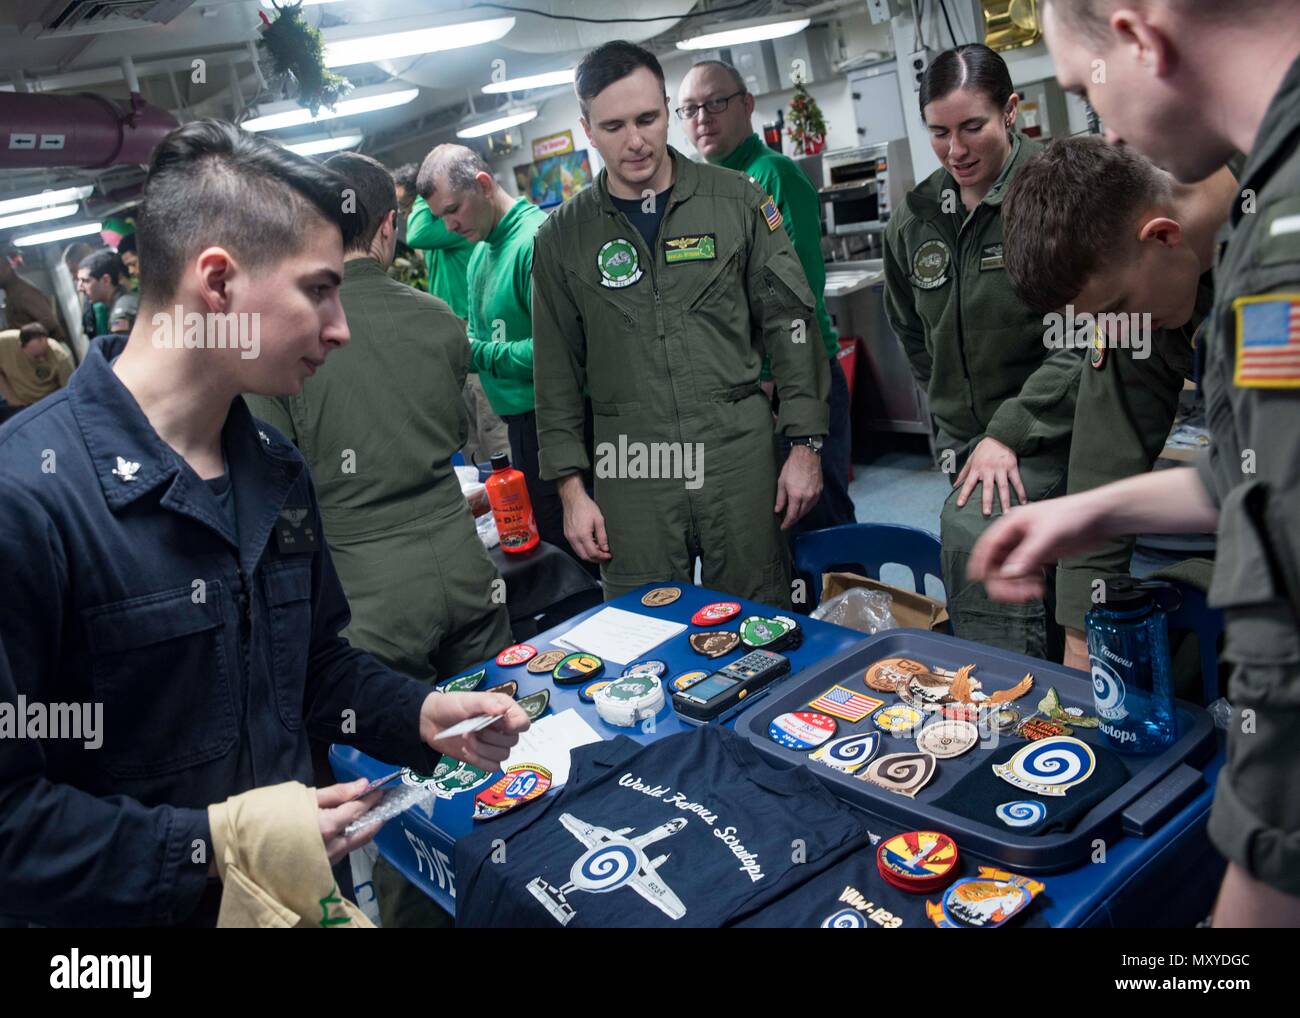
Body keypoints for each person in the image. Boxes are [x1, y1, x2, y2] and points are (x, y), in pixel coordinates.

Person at [0, 119, 529, 927]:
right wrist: (218, 842)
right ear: (218, 284)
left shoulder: (275, 471)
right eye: (318, 289)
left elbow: (309, 671)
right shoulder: (28, 500)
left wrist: (415, 715)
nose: (341, 326)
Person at [971, 0, 1300, 928]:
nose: (1110, 134)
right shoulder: (1242, 223)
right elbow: (1258, 471)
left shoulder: (1278, 252)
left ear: (1139, 36)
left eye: (1087, 94)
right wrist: (1092, 514)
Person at [242, 151, 513, 927]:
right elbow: (468, 433)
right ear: (390, 225)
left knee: (393, 801)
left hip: (360, 595)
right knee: (493, 755)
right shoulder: (438, 321)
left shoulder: (286, 340)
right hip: (463, 566)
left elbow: (272, 486)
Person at [532, 40, 829, 605]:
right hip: (631, 467)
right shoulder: (561, 238)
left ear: (668, 109)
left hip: (736, 456)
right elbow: (556, 375)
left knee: (758, 619)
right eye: (614, 125)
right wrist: (571, 492)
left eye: (648, 118)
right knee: (645, 632)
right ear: (587, 129)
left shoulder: (737, 201)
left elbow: (791, 325)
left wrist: (805, 447)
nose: (637, 140)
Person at [1001, 135, 1237, 670]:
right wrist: (1083, 652)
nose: (1115, 330)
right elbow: (1104, 463)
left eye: (1115, 310)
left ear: (1162, 237)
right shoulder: (1133, 295)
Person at [883, 43, 1084, 659]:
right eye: (939, 133)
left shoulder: (1060, 198)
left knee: (980, 541)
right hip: (968, 448)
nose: (957, 150)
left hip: (1055, 430)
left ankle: (1025, 710)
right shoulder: (915, 221)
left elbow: (1089, 334)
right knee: (989, 568)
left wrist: (1009, 431)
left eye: (972, 127)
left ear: (1011, 112)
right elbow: (917, 338)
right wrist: (956, 432)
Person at [677, 59, 856, 535]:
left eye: (716, 103)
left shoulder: (772, 175)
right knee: (779, 525)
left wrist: (775, 374)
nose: (702, 118)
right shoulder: (706, 191)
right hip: (749, 387)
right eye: (690, 109)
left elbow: (796, 289)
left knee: (820, 517)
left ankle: (853, 609)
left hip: (795, 380)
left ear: (747, 105)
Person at [419, 143, 586, 562]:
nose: (450, 224)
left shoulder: (535, 241)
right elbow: (477, 338)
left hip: (557, 423)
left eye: (454, 209)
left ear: (484, 184)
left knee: (574, 551)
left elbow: (563, 351)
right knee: (547, 549)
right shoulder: (479, 253)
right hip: (519, 427)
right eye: (441, 216)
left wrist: (480, 353)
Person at [400, 157, 509, 466]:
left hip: (472, 328)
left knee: (491, 423)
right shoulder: (445, 229)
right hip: (452, 333)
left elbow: (416, 235)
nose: (406, 216)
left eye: (408, 207)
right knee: (470, 430)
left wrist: (424, 196)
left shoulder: (458, 227)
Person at [0, 323, 74, 414]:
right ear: (21, 347)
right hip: (22, 406)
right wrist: (12, 399)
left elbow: (70, 390)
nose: (42, 359)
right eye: (36, 356)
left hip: (52, 403)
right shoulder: (4, 343)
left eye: (44, 354)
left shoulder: (60, 356)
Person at [0, 254, 65, 342]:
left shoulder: (23, 292)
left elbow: (49, 321)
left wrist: (21, 334)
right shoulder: (12, 294)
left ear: (7, 267)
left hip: (50, 350)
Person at [77, 249, 136, 337]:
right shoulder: (121, 302)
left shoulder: (121, 312)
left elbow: (120, 345)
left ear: (106, 280)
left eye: (85, 281)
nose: (80, 288)